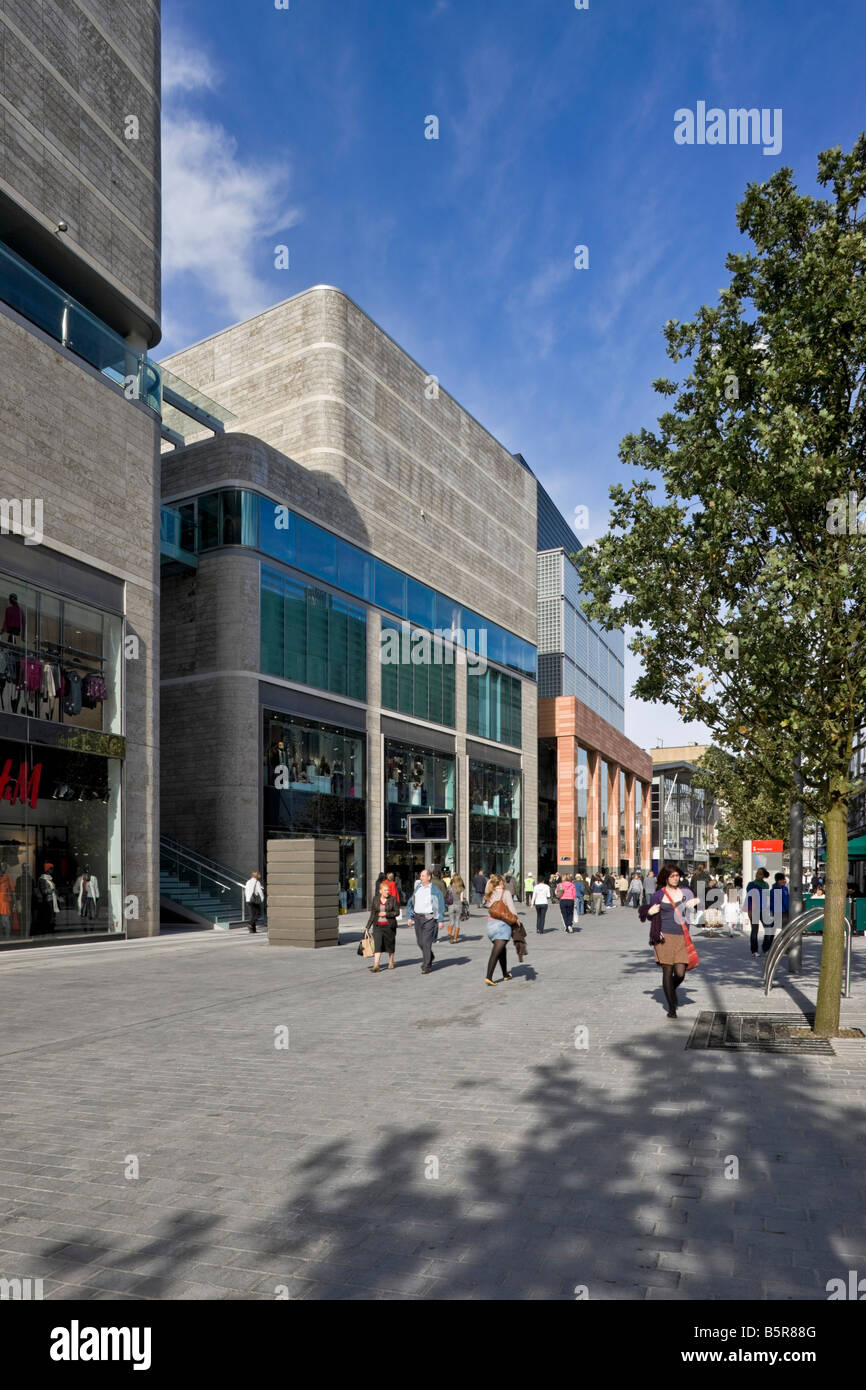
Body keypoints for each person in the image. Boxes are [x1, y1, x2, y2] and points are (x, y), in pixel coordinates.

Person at [647, 864, 696, 1019]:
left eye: (677, 876)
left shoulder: (685, 892)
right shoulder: (658, 895)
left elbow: (696, 909)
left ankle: (671, 989)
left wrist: (695, 903)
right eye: (672, 876)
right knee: (667, 970)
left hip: (682, 936)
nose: (675, 879)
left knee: (680, 973)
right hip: (664, 938)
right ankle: (671, 1007)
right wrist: (649, 912)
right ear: (666, 878)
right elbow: (649, 915)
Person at [406, 869, 445, 975]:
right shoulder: (418, 888)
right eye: (420, 875)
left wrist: (440, 920)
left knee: (426, 942)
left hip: (429, 918)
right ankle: (430, 956)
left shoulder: (435, 890)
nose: (421, 877)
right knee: (420, 942)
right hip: (418, 918)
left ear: (429, 877)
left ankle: (426, 966)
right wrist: (409, 916)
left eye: (423, 875)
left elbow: (440, 905)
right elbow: (411, 902)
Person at [484, 873, 516, 985]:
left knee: (502, 950)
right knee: (496, 952)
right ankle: (489, 977)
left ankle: (505, 974)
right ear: (502, 882)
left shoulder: (489, 893)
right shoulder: (505, 893)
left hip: (491, 926)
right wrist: (516, 920)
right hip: (502, 926)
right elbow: (512, 909)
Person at [366, 877, 399, 972]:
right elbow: (373, 913)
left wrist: (386, 914)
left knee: (390, 944)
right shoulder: (375, 899)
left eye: (388, 890)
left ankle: (391, 961)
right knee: (378, 945)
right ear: (380, 891)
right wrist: (367, 926)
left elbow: (397, 912)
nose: (387, 892)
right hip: (378, 926)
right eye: (385, 890)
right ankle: (376, 965)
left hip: (389, 926)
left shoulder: (393, 899)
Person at [745, 867, 771, 956]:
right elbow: (749, 898)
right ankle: (754, 951)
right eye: (757, 873)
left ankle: (766, 948)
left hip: (764, 910)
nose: (757, 875)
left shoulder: (766, 885)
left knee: (768, 928)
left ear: (763, 876)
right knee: (755, 930)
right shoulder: (751, 885)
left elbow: (767, 898)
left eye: (760, 873)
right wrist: (749, 910)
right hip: (754, 910)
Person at [766, 872, 789, 952]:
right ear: (777, 881)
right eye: (782, 879)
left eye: (784, 879)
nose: (784, 881)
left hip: (785, 912)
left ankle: (784, 947)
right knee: (773, 930)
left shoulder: (785, 889)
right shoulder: (774, 890)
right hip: (778, 912)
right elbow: (773, 903)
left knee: (785, 930)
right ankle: (768, 947)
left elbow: (787, 900)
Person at [447, 872, 466, 942]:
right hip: (458, 905)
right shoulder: (461, 887)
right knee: (457, 921)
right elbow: (461, 899)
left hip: (451, 905)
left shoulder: (450, 887)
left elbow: (447, 895)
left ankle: (449, 934)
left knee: (451, 921)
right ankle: (455, 939)